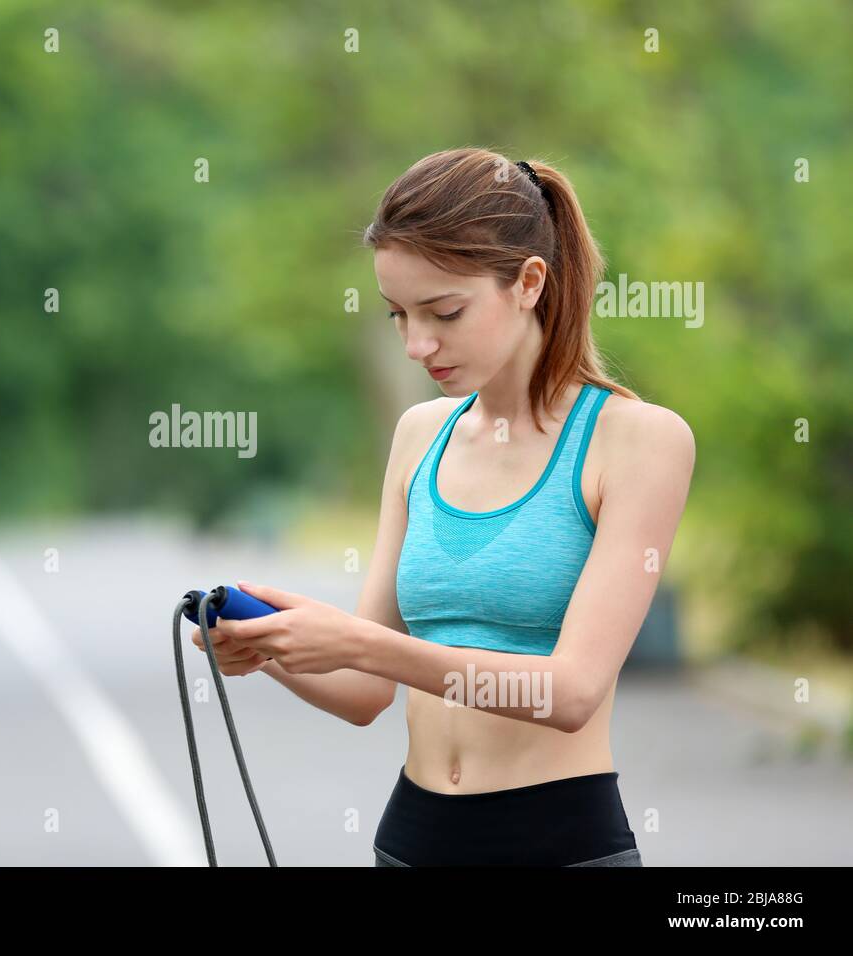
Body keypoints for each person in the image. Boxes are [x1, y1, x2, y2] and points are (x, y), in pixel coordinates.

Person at [189, 147, 695, 866]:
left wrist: (358, 642)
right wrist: (268, 643)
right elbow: (365, 690)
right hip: (411, 842)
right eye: (397, 315)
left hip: (559, 843)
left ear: (528, 282)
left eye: (445, 312)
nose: (416, 344)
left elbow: (574, 691)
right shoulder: (420, 434)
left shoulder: (638, 441)